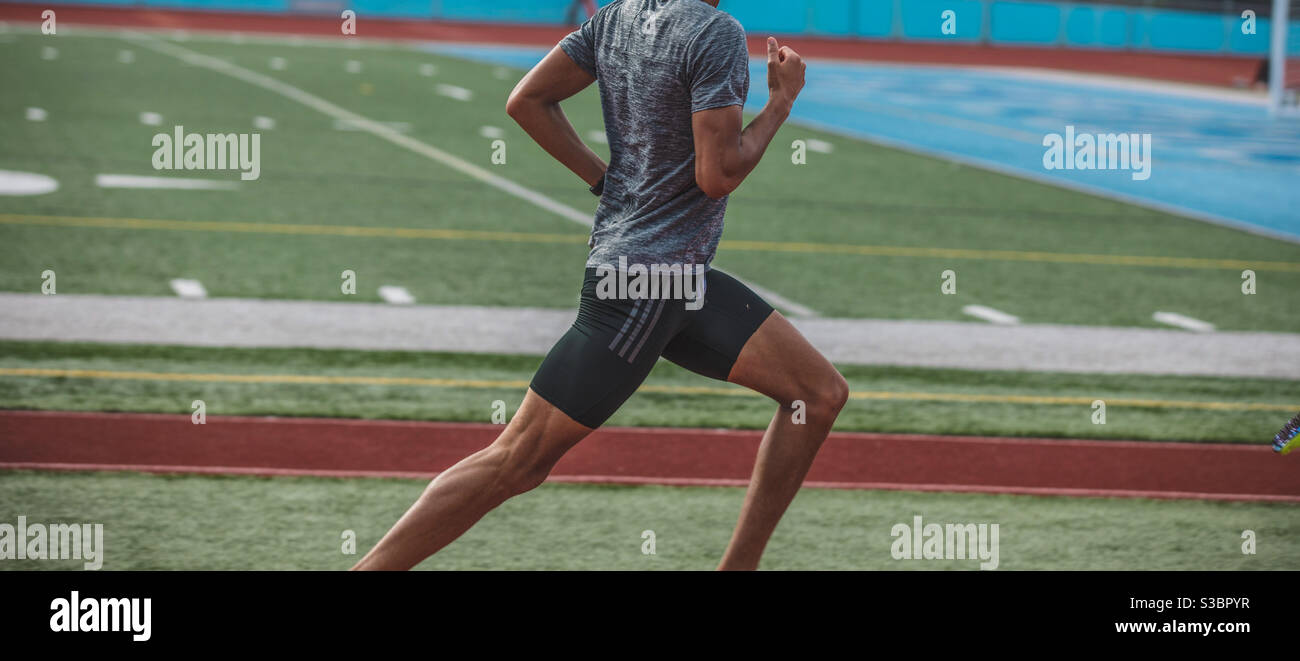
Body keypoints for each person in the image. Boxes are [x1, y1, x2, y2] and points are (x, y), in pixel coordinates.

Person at [353, 0, 848, 571]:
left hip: (676, 278)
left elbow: (527, 101)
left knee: (817, 395)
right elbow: (718, 176)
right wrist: (781, 102)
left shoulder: (617, 17)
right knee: (519, 460)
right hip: (647, 283)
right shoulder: (715, 32)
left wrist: (604, 182)